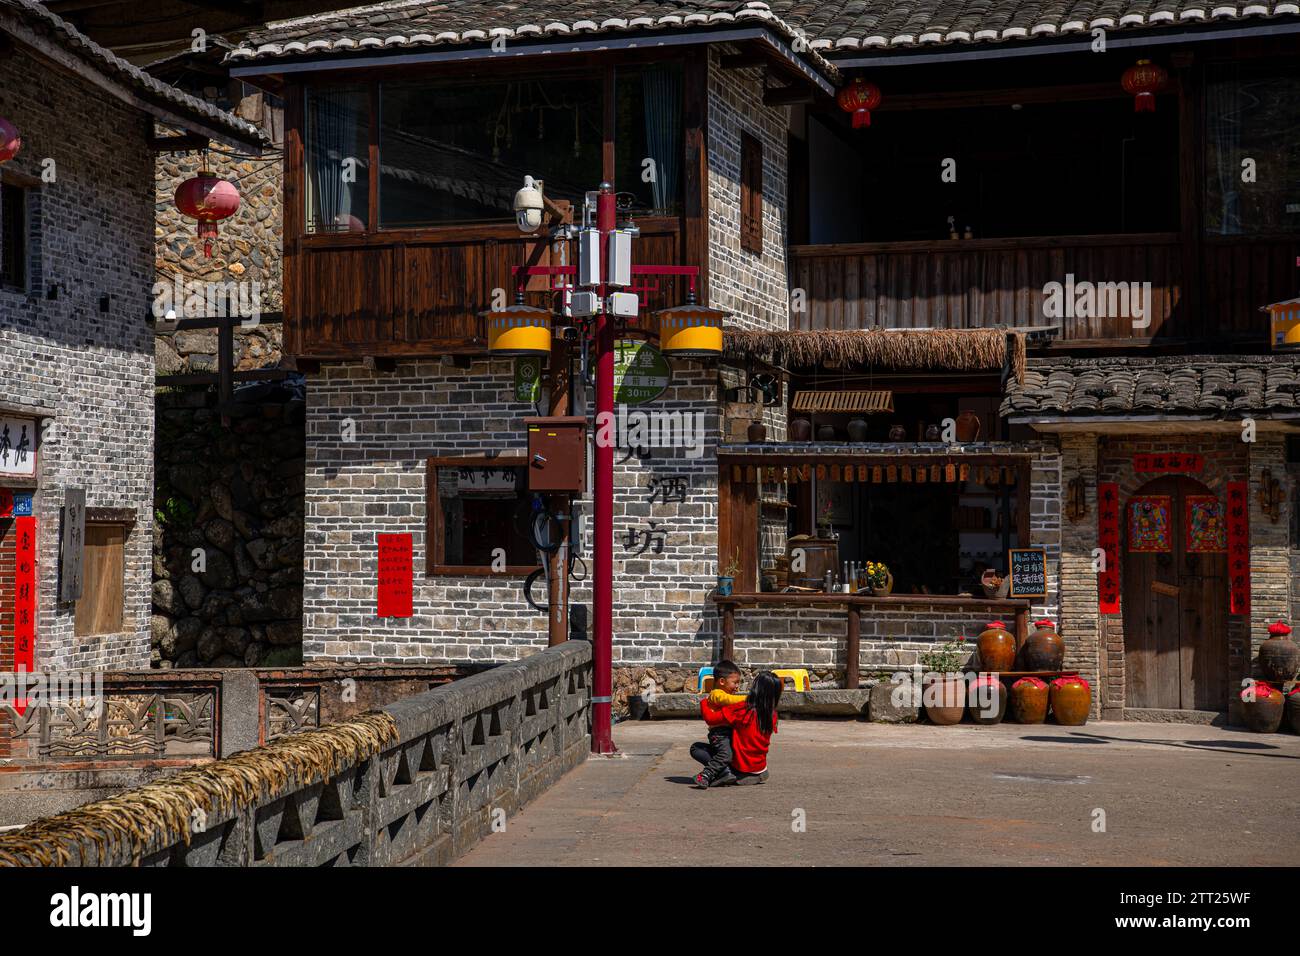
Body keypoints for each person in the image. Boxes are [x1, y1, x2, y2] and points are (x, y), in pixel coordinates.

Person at [692, 669, 782, 787]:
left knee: (696, 748)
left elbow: (711, 719)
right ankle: (755, 775)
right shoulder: (773, 714)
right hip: (760, 766)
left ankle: (726, 773)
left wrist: (705, 702)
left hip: (742, 766)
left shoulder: (743, 708)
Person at [690, 660, 746, 789]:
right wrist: (748, 699)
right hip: (720, 735)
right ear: (721, 681)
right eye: (735, 682)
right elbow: (729, 700)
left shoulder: (728, 693)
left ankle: (726, 773)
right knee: (725, 754)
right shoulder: (717, 694)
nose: (737, 686)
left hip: (728, 732)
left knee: (732, 754)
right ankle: (705, 775)